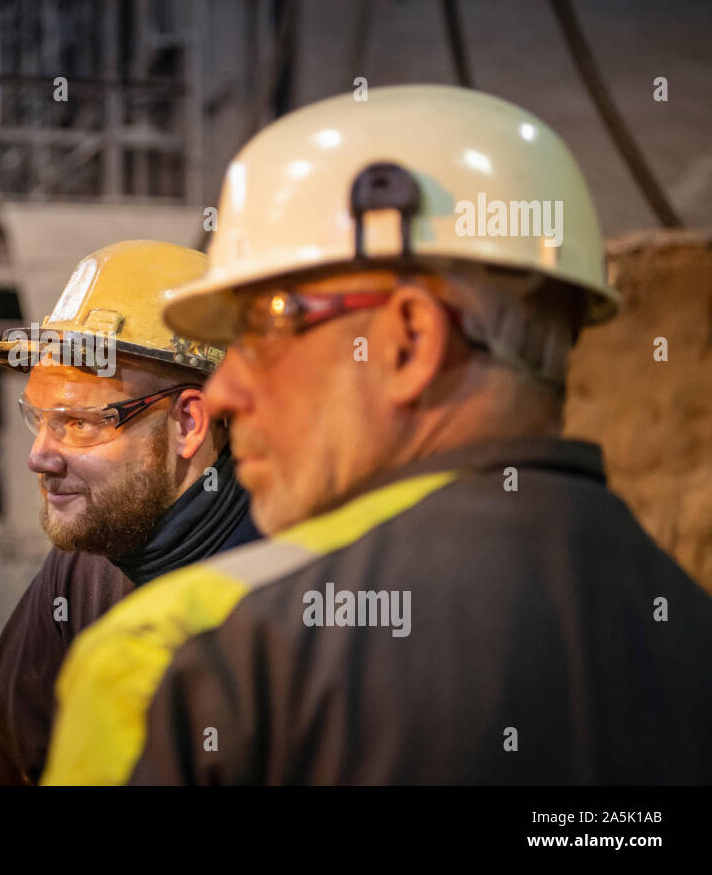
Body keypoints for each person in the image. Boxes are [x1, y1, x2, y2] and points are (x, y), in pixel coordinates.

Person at [42, 85, 712, 785]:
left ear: (410, 341)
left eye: (263, 329)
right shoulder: (689, 632)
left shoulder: (182, 661)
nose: (226, 391)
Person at [0, 240, 258, 785]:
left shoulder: (282, 600)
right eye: (39, 419)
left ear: (189, 424)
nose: (39, 456)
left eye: (79, 423)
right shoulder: (93, 565)